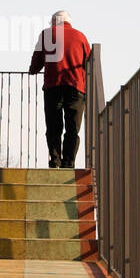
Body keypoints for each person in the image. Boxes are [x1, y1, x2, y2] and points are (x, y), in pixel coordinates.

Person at [28, 10, 91, 169]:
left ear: (54, 22)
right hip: (76, 87)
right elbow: (89, 63)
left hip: (52, 87)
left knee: (53, 127)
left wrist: (33, 69)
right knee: (73, 128)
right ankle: (68, 163)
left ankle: (54, 162)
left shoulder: (47, 35)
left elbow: (36, 63)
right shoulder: (80, 36)